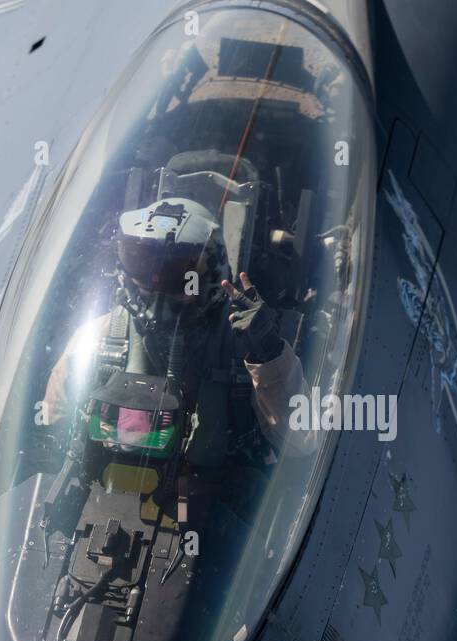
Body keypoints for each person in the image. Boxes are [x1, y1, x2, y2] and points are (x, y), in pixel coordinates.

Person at [42, 198, 316, 465]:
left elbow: (300, 442)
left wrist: (268, 354)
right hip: (116, 493)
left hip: (215, 499)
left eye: (177, 272)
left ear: (209, 274)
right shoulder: (98, 337)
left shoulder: (245, 344)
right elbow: (54, 435)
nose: (155, 285)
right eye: (142, 264)